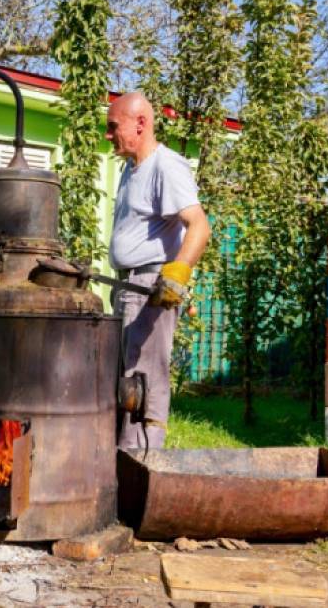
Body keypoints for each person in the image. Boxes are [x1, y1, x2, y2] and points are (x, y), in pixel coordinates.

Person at [104, 92, 211, 451]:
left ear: (141, 123)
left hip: (148, 286)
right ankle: (122, 460)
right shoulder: (130, 170)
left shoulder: (166, 165)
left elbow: (199, 226)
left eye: (113, 127)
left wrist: (176, 276)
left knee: (143, 380)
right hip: (127, 284)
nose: (108, 135)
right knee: (125, 380)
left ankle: (143, 462)